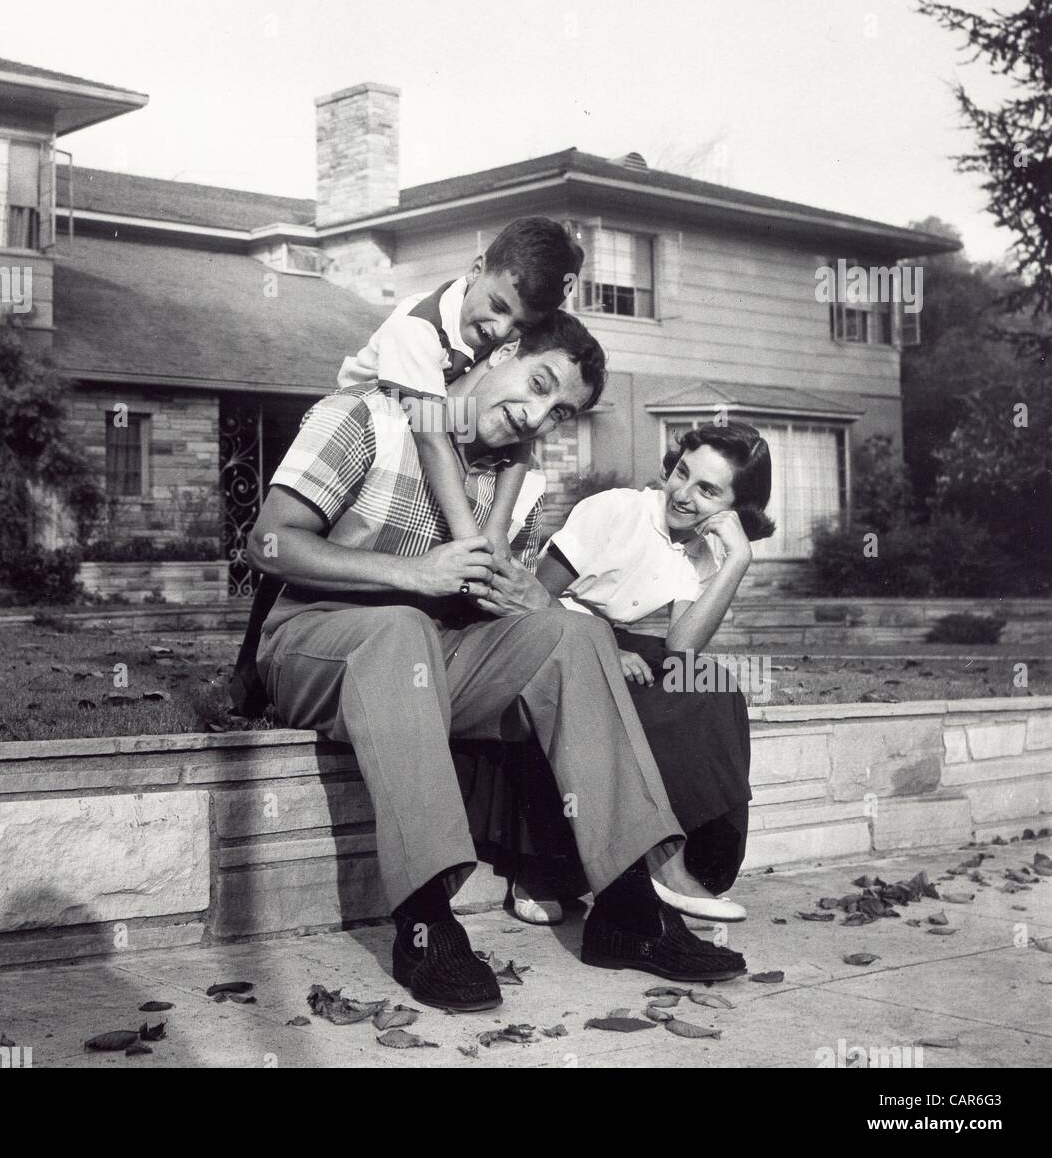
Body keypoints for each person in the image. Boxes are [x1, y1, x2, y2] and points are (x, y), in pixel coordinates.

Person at [243, 316, 747, 1012]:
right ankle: (424, 921)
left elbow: (488, 597)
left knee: (575, 636)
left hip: (432, 655)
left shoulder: (516, 480)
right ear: (502, 352)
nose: (534, 416)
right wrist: (410, 575)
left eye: (557, 412)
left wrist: (518, 577)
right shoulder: (365, 416)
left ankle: (626, 911)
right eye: (537, 385)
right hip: (316, 643)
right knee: (396, 631)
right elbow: (267, 544)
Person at [457, 421, 776, 926]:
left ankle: (684, 857)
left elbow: (683, 646)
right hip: (543, 634)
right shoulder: (617, 510)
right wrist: (601, 644)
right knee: (611, 704)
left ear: (736, 508)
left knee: (711, 685)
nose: (683, 493)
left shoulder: (704, 549)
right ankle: (545, 868)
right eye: (682, 473)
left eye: (708, 490)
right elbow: (533, 595)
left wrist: (737, 558)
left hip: (609, 641)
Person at [337, 216, 582, 565]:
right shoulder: (417, 328)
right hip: (368, 436)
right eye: (498, 307)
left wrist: (496, 527)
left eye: (521, 325)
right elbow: (432, 439)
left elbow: (516, 434)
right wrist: (472, 543)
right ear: (476, 268)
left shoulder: (498, 336)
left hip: (432, 423)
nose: (500, 330)